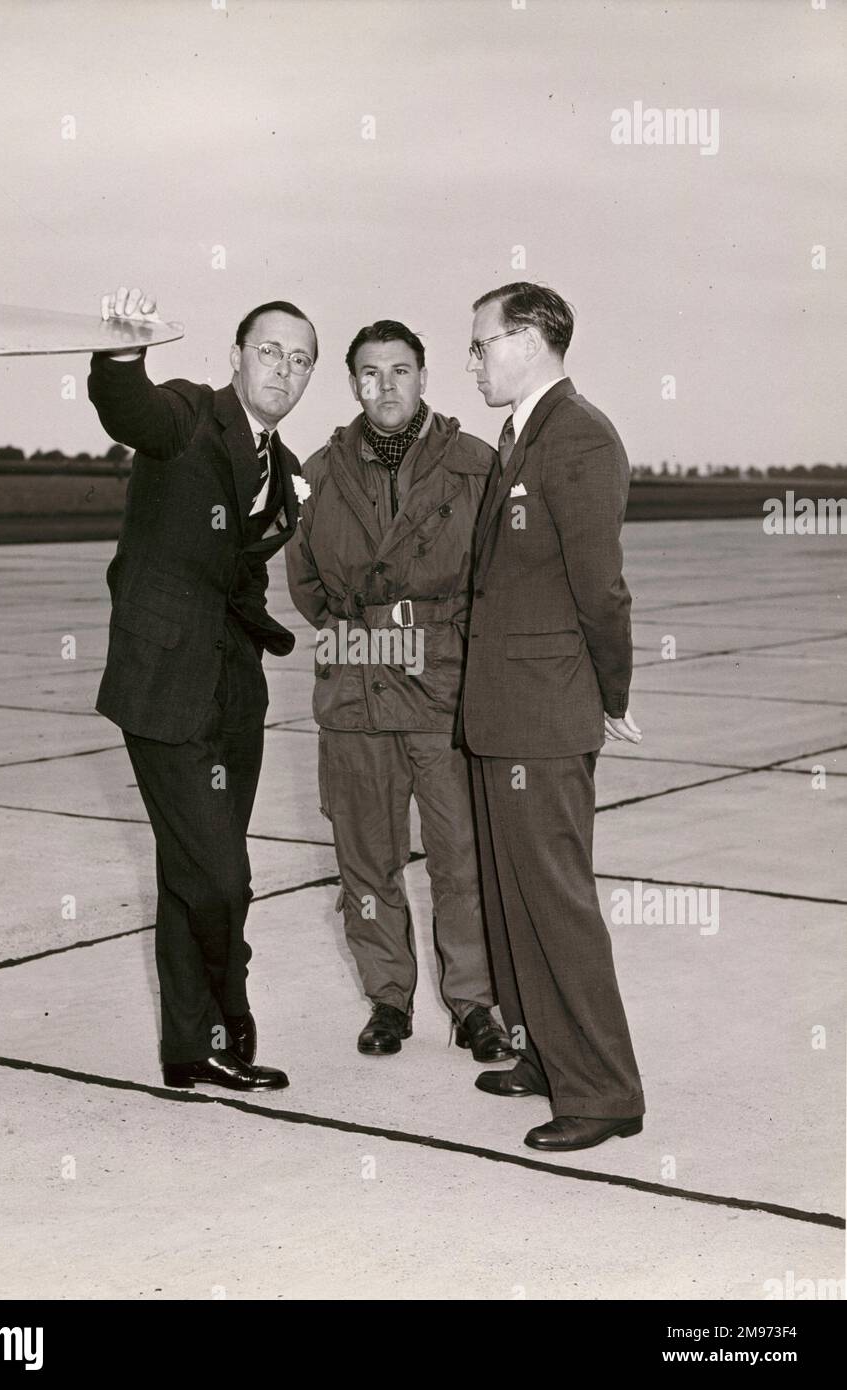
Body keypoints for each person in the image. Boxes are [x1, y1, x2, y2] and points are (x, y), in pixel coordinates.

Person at [88, 287, 318, 1092]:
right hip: (161, 687)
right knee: (221, 877)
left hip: (233, 694)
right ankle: (232, 1011)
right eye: (268, 351)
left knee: (189, 872)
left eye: (299, 360)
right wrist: (122, 352)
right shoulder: (190, 415)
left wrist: (269, 632)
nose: (281, 370)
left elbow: (236, 575)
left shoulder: (284, 473)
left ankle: (190, 1050)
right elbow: (130, 411)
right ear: (235, 356)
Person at [285, 319, 512, 1063]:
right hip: (353, 692)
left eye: (400, 371)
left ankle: (473, 1003)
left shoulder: (475, 466)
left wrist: (428, 638)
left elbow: (495, 581)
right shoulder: (316, 472)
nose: (386, 386)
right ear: (352, 382)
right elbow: (308, 586)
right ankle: (388, 998)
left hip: (440, 690)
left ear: (423, 377)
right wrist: (369, 633)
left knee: (459, 857)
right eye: (370, 373)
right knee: (366, 862)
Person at [460, 282, 646, 1151]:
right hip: (506, 710)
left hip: (543, 711)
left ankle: (604, 1090)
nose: (474, 361)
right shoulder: (522, 435)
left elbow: (601, 589)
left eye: (482, 343)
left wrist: (611, 695)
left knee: (555, 902)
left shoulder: (578, 438)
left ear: (529, 340)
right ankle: (545, 1052)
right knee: (511, 899)